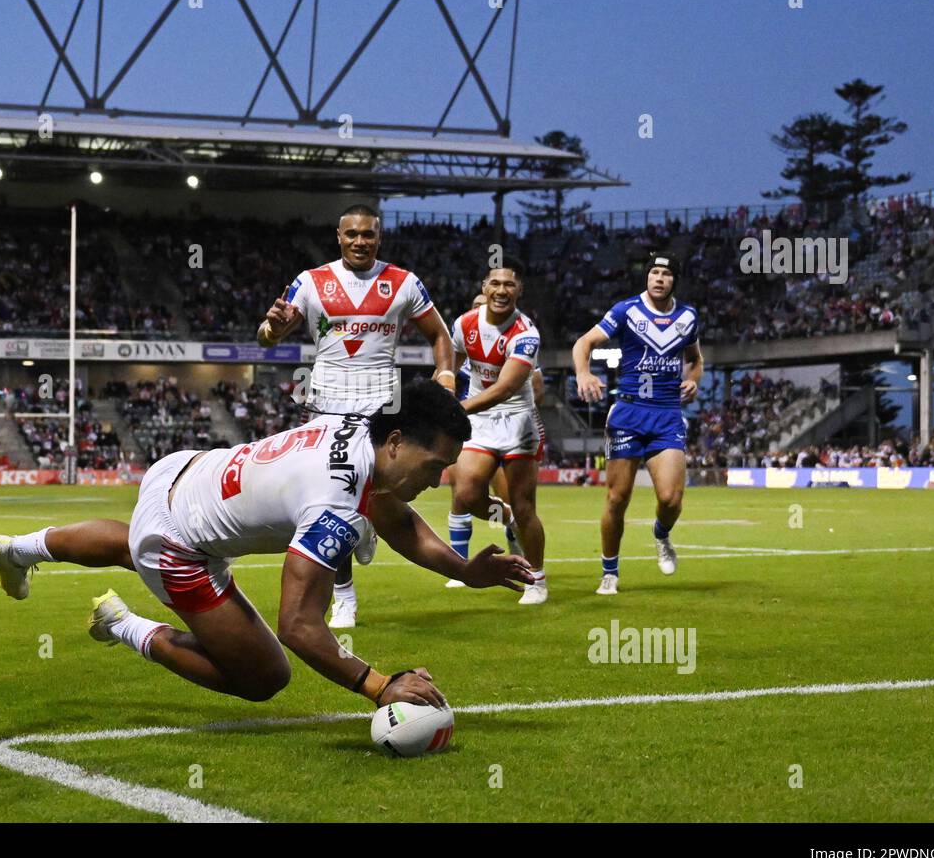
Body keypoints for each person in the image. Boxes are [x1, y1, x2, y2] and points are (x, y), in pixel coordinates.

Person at [0, 381, 530, 710]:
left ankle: (18, 550)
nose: (438, 481)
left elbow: (398, 521)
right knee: (266, 677)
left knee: (134, 543)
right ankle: (122, 626)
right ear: (395, 443)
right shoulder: (336, 500)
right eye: (434, 466)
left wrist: (464, 568)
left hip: (186, 472)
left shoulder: (363, 426)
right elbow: (298, 625)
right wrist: (378, 684)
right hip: (179, 547)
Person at [256, 203, 455, 629]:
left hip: (380, 407)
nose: (360, 242)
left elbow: (440, 334)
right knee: (333, 500)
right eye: (352, 234)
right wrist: (273, 327)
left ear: (378, 237)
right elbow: (267, 338)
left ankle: (366, 526)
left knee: (369, 494)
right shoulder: (310, 282)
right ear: (339, 236)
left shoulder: (403, 282)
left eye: (368, 235)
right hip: (325, 404)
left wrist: (446, 375)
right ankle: (344, 592)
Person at [571, 252, 703, 595]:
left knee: (671, 498)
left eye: (666, 274)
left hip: (667, 414)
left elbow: (695, 359)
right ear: (647, 278)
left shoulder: (688, 316)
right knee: (617, 499)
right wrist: (583, 373)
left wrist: (694, 379)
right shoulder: (626, 310)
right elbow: (584, 343)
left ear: (674, 280)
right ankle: (610, 572)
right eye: (654, 273)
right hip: (628, 413)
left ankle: (661, 533)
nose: (659, 278)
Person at [444, 259, 549, 604]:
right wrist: (441, 388)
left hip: (516, 420)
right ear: (484, 287)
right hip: (480, 421)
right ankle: (506, 518)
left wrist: (455, 408)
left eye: (509, 285)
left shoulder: (526, 334)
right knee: (468, 493)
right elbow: (450, 364)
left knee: (525, 505)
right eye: (495, 283)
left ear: (519, 291)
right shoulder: (464, 324)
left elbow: (504, 389)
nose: (501, 290)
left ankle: (537, 579)